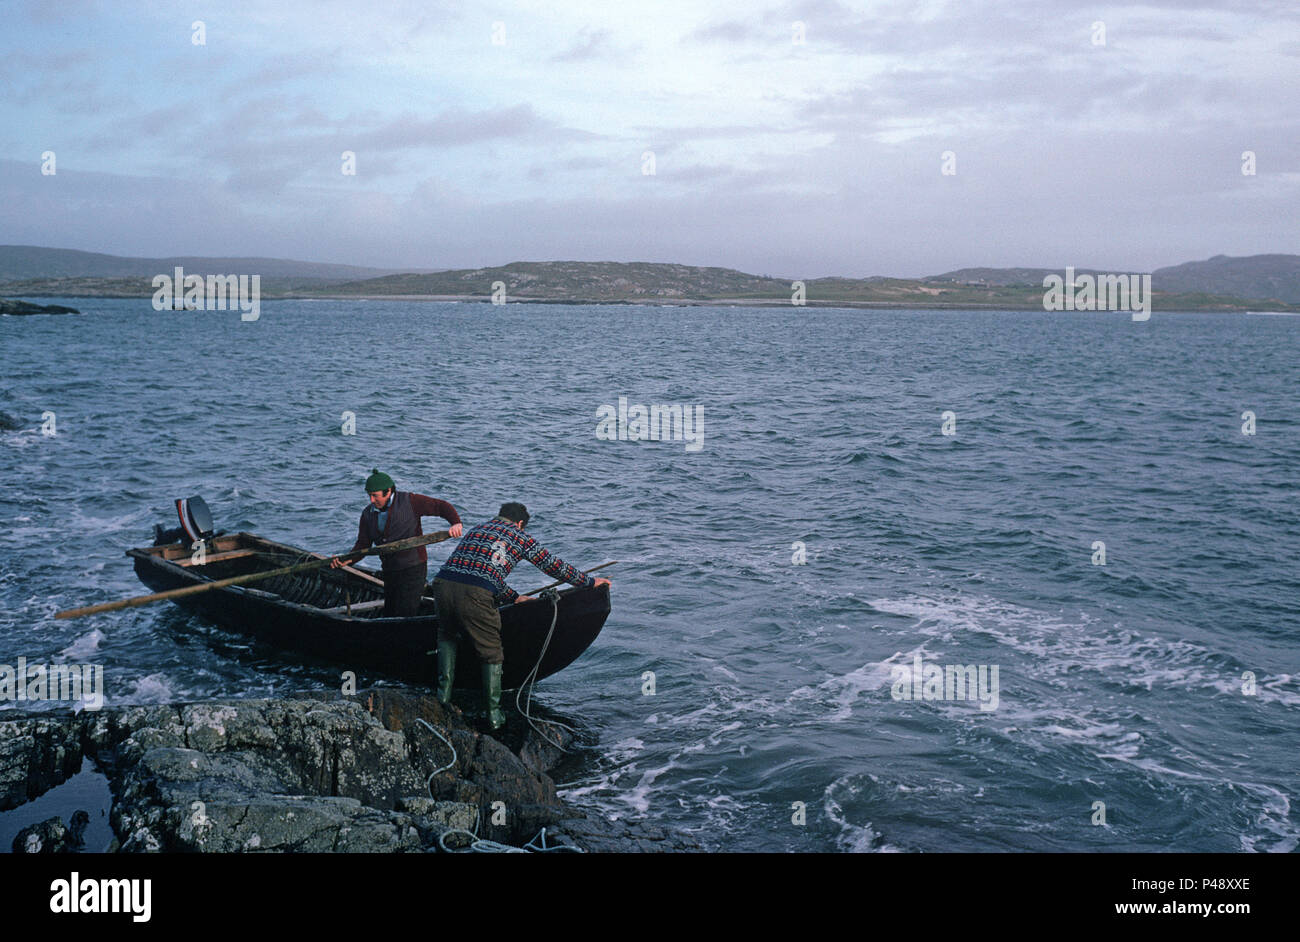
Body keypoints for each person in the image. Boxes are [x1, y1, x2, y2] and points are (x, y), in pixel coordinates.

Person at [432, 502, 610, 730]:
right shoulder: (519, 536)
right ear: (520, 524)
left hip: (442, 584)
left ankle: (442, 700)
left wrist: (514, 598)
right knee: (491, 652)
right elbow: (553, 565)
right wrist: (590, 581)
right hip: (475, 594)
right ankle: (494, 716)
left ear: (500, 516)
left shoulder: (479, 528)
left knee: (447, 635)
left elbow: (483, 573)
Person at [330, 469, 463, 617]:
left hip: (413, 569)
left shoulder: (411, 501)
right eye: (369, 496)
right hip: (389, 571)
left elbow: (441, 506)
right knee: (390, 612)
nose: (372, 500)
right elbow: (363, 545)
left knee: (405, 613)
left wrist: (455, 523)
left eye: (375, 496)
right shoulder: (367, 514)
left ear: (388, 491)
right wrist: (346, 561)